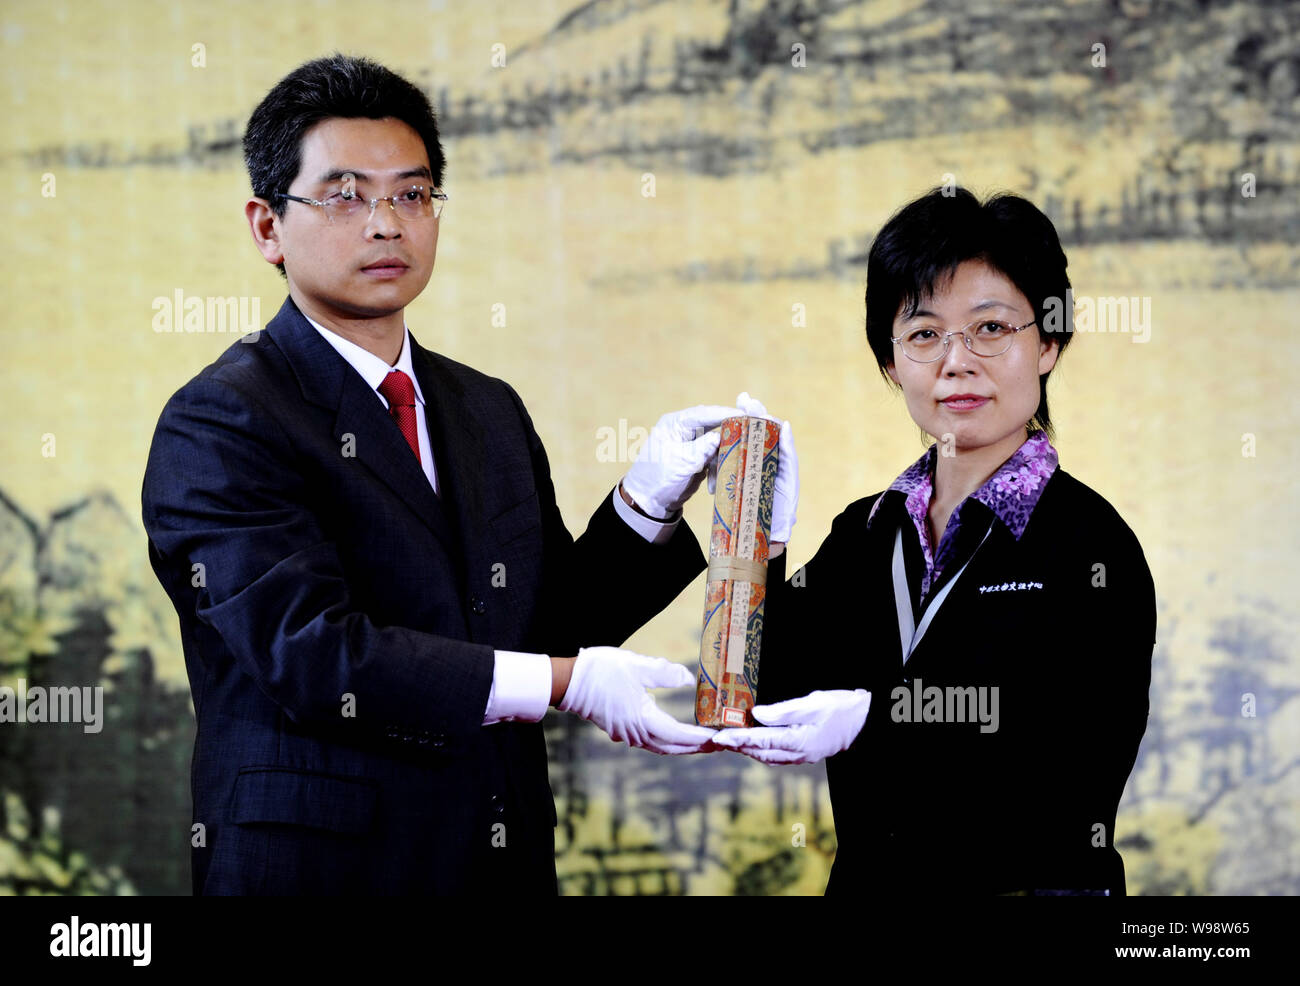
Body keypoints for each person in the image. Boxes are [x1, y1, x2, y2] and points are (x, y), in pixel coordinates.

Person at [140, 53, 796, 895]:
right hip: (323, 872)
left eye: (412, 194)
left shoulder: (486, 408)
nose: (386, 224)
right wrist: (568, 683)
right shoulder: (224, 418)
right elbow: (312, 654)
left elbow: (546, 624)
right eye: (345, 194)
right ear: (267, 225)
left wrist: (648, 502)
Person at [714, 188, 1157, 896]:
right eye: (924, 334)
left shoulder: (1091, 546)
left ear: (1048, 341)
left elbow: (1068, 769)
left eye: (990, 328)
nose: (957, 361)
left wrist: (869, 712)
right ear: (891, 363)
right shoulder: (864, 534)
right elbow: (751, 691)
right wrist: (753, 533)